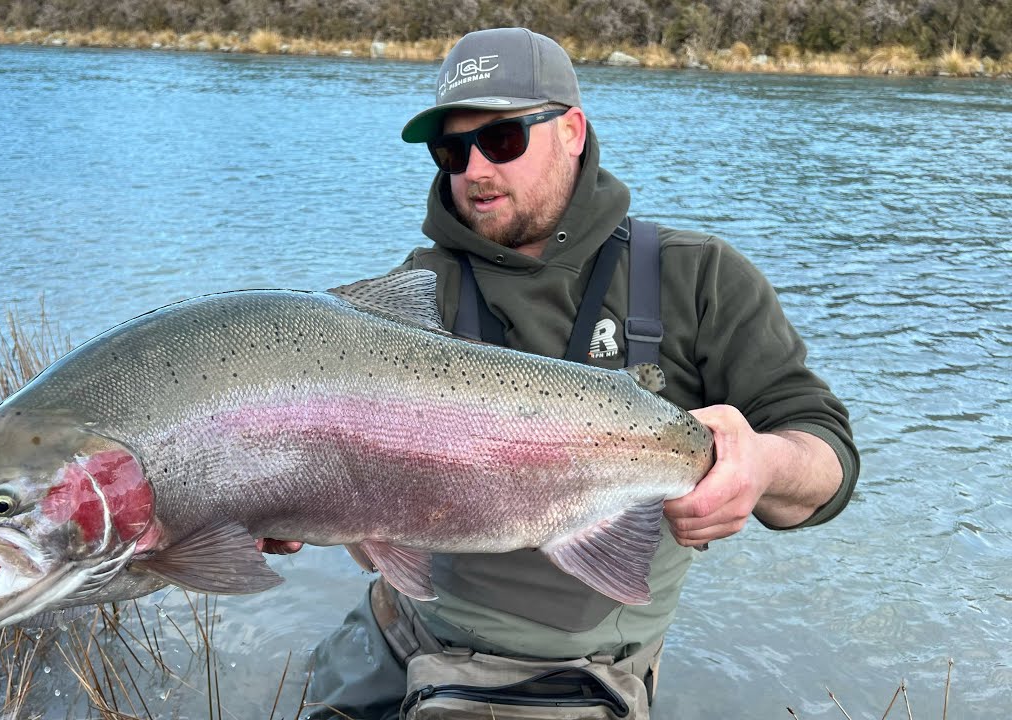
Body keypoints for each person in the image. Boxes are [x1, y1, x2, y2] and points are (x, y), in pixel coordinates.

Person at [263, 27, 859, 719]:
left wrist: (760, 462)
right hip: (401, 631)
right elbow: (375, 541)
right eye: (452, 150)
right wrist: (298, 500)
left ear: (572, 130)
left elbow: (828, 461)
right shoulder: (408, 301)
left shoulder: (697, 277)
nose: (475, 170)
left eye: (504, 140)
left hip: (574, 675)